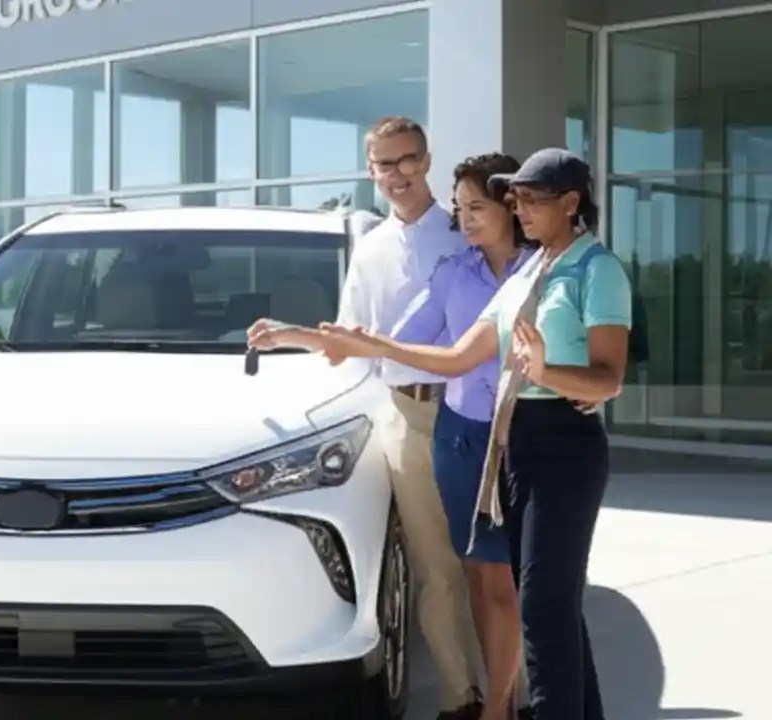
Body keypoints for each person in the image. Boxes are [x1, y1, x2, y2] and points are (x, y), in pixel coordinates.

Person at [256, 147, 628, 720]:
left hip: (565, 445)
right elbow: (454, 357)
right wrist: (350, 341)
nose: (520, 208)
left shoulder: (596, 269)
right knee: (552, 605)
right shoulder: (533, 269)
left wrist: (546, 370)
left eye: (532, 199)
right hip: (517, 442)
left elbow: (608, 378)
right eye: (518, 198)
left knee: (542, 609)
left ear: (571, 203)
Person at [264, 116, 484, 719]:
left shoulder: (467, 233)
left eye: (407, 160)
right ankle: (463, 699)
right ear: (371, 171)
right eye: (384, 164)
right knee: (435, 567)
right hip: (406, 417)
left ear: (428, 160)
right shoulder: (371, 248)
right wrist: (289, 336)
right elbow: (350, 343)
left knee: (491, 566)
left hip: (477, 416)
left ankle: (509, 695)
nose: (397, 175)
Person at [390, 153, 537, 720]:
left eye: (477, 206)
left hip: (529, 439)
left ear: (512, 204)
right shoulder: (453, 273)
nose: (466, 218)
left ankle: (504, 704)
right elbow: (401, 350)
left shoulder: (548, 269)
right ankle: (498, 706)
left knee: (512, 581)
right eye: (459, 208)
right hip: (461, 440)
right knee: (482, 578)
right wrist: (462, 364)